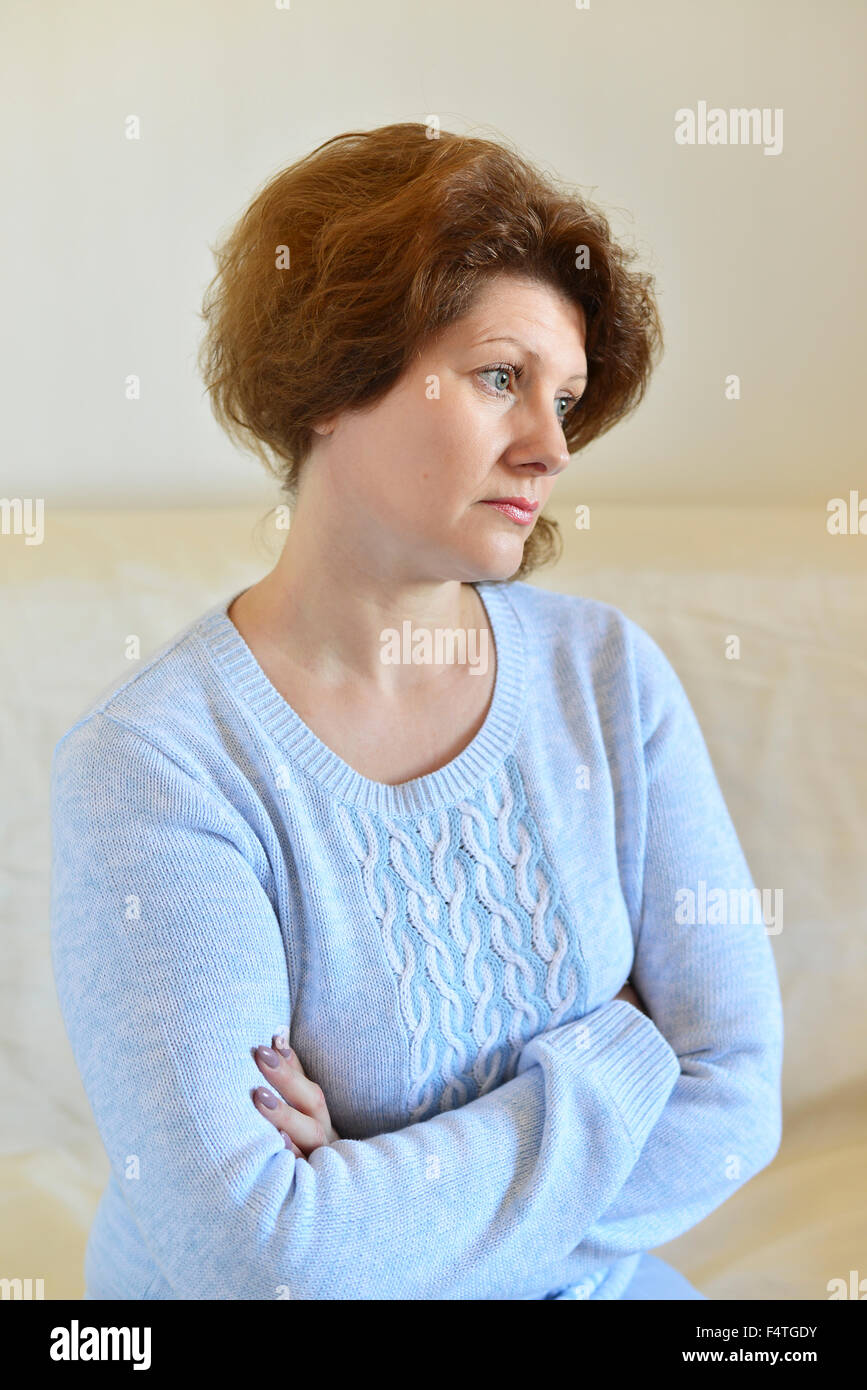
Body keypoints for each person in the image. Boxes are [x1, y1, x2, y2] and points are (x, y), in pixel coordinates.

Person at [50, 122, 783, 1301]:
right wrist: (625, 1054)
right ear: (337, 373)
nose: (549, 446)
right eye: (502, 377)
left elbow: (739, 1098)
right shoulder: (155, 768)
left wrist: (367, 1198)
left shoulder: (609, 678)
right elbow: (260, 1256)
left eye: (567, 397)